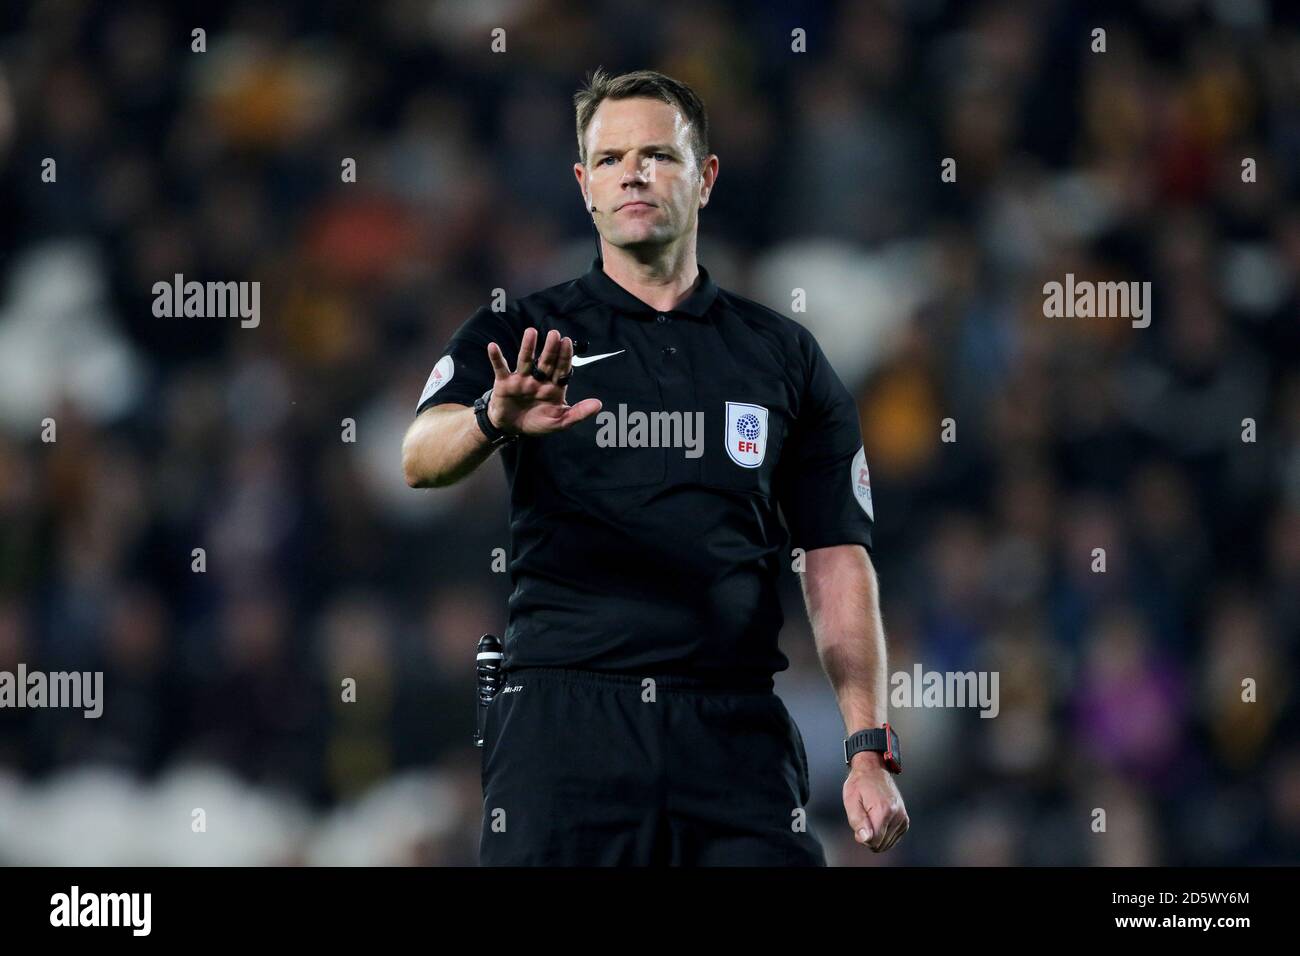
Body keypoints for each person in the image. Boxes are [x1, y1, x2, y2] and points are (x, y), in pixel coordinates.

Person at [402, 67, 908, 865]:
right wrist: (491, 419)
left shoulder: (783, 357)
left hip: (732, 728)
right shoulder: (525, 332)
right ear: (583, 186)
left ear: (705, 177)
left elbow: (838, 557)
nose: (631, 172)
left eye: (656, 155)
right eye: (608, 160)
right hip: (564, 724)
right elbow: (418, 458)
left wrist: (867, 749)